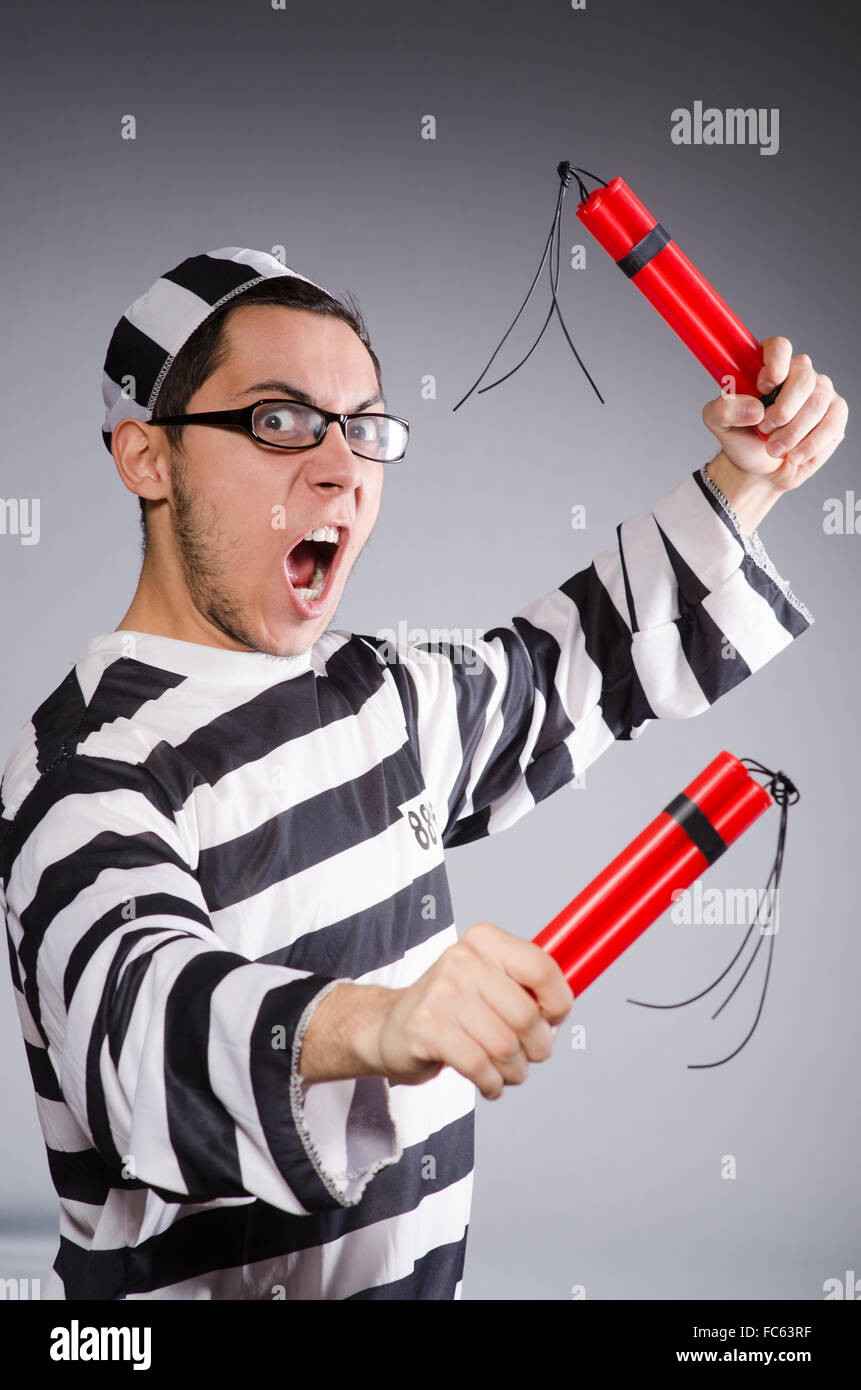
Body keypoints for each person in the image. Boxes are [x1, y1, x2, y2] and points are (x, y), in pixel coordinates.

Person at [0, 247, 847, 1301]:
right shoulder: (83, 767)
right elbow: (140, 1023)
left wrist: (748, 475)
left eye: (363, 428)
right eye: (279, 421)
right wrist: (376, 1024)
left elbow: (569, 667)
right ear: (146, 458)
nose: (340, 467)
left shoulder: (374, 691)